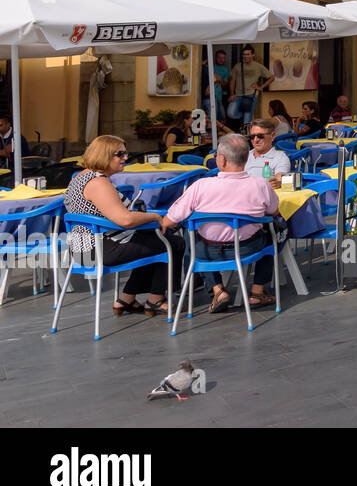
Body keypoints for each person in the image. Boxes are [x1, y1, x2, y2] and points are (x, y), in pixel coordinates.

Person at [64, 135, 185, 316]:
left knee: (151, 241)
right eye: (119, 154)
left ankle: (126, 299)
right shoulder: (98, 183)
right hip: (99, 248)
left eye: (126, 153)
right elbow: (125, 220)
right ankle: (156, 300)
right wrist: (155, 217)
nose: (125, 158)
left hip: (84, 246)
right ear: (104, 155)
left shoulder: (80, 178)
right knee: (173, 243)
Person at [162, 134, 280, 313]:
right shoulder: (261, 185)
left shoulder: (200, 186)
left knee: (191, 233)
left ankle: (217, 289)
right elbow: (274, 212)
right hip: (247, 248)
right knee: (273, 232)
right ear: (246, 158)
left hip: (206, 252)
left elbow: (170, 221)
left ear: (222, 160)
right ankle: (257, 291)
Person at [227, 46, 272, 126]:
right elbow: (232, 81)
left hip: (251, 95)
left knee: (246, 121)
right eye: (244, 54)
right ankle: (246, 117)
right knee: (231, 113)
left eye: (248, 54)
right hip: (238, 95)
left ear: (253, 55)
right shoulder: (238, 66)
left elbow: (271, 77)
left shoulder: (258, 66)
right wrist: (232, 94)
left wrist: (261, 87)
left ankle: (246, 136)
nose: (245, 56)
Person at [244, 118, 291, 187]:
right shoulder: (244, 155)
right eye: (252, 136)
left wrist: (278, 183)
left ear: (272, 136)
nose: (255, 140)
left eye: (260, 136)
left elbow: (279, 180)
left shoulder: (280, 158)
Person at [200, 48, 230, 123]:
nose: (221, 59)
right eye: (219, 57)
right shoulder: (209, 67)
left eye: (223, 58)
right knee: (212, 118)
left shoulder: (225, 70)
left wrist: (220, 80)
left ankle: (218, 134)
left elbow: (225, 85)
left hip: (219, 97)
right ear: (215, 58)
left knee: (222, 119)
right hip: (209, 96)